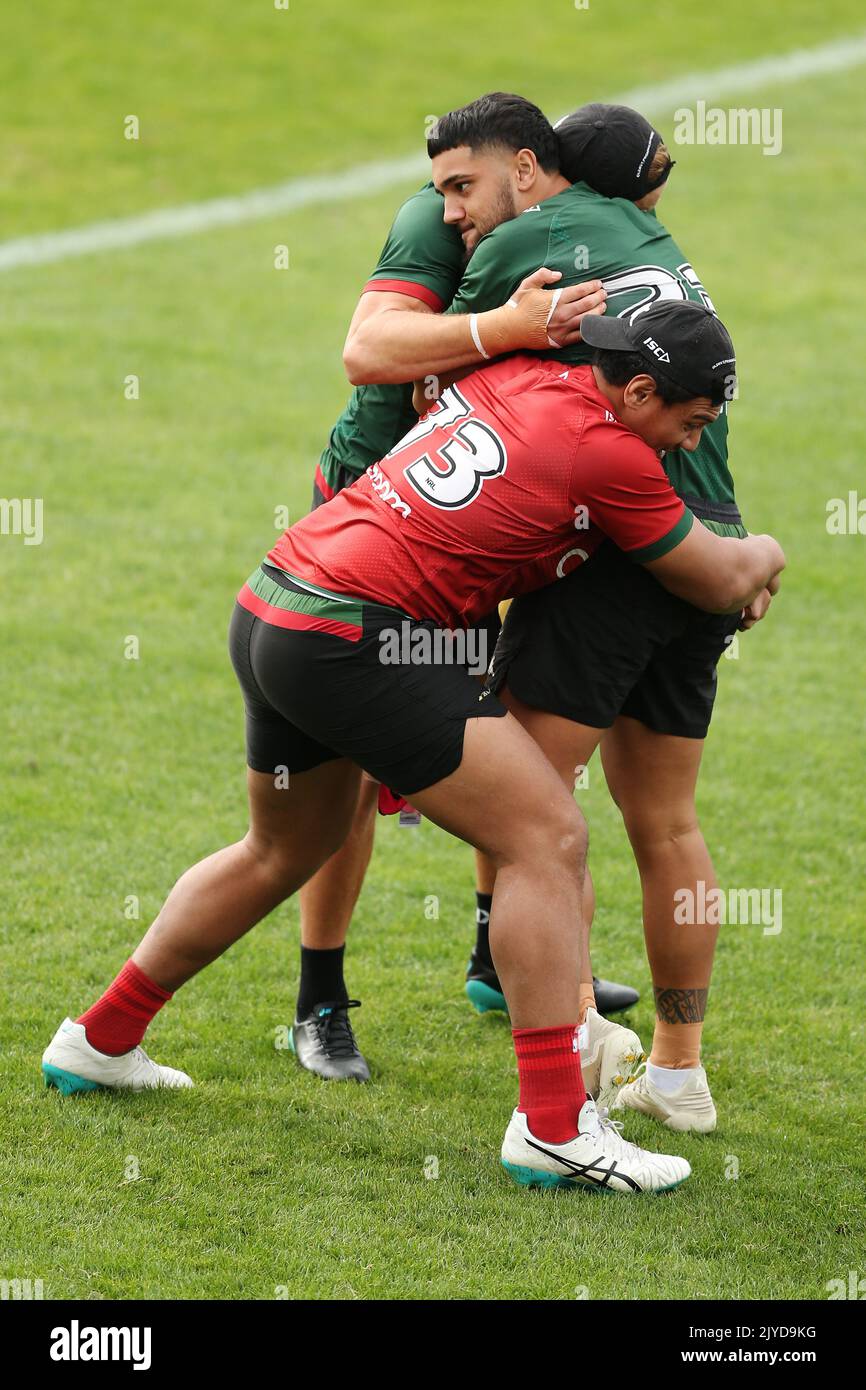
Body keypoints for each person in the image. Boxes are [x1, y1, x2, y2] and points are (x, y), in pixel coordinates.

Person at [41, 299, 785, 1193]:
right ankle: (553, 1129)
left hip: (278, 599)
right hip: (357, 634)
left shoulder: (522, 374)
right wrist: (769, 553)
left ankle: (99, 1040)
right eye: (689, 423)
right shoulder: (610, 449)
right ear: (634, 389)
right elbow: (718, 574)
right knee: (546, 838)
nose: (687, 446)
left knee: (282, 847)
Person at [344, 95, 760, 1128]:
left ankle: (577, 1049)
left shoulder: (531, 236)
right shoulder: (657, 241)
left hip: (618, 543)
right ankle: (678, 1068)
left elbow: (400, 357)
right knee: (664, 819)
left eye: (462, 192)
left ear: (529, 169)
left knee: (531, 812)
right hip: (707, 533)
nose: (454, 221)